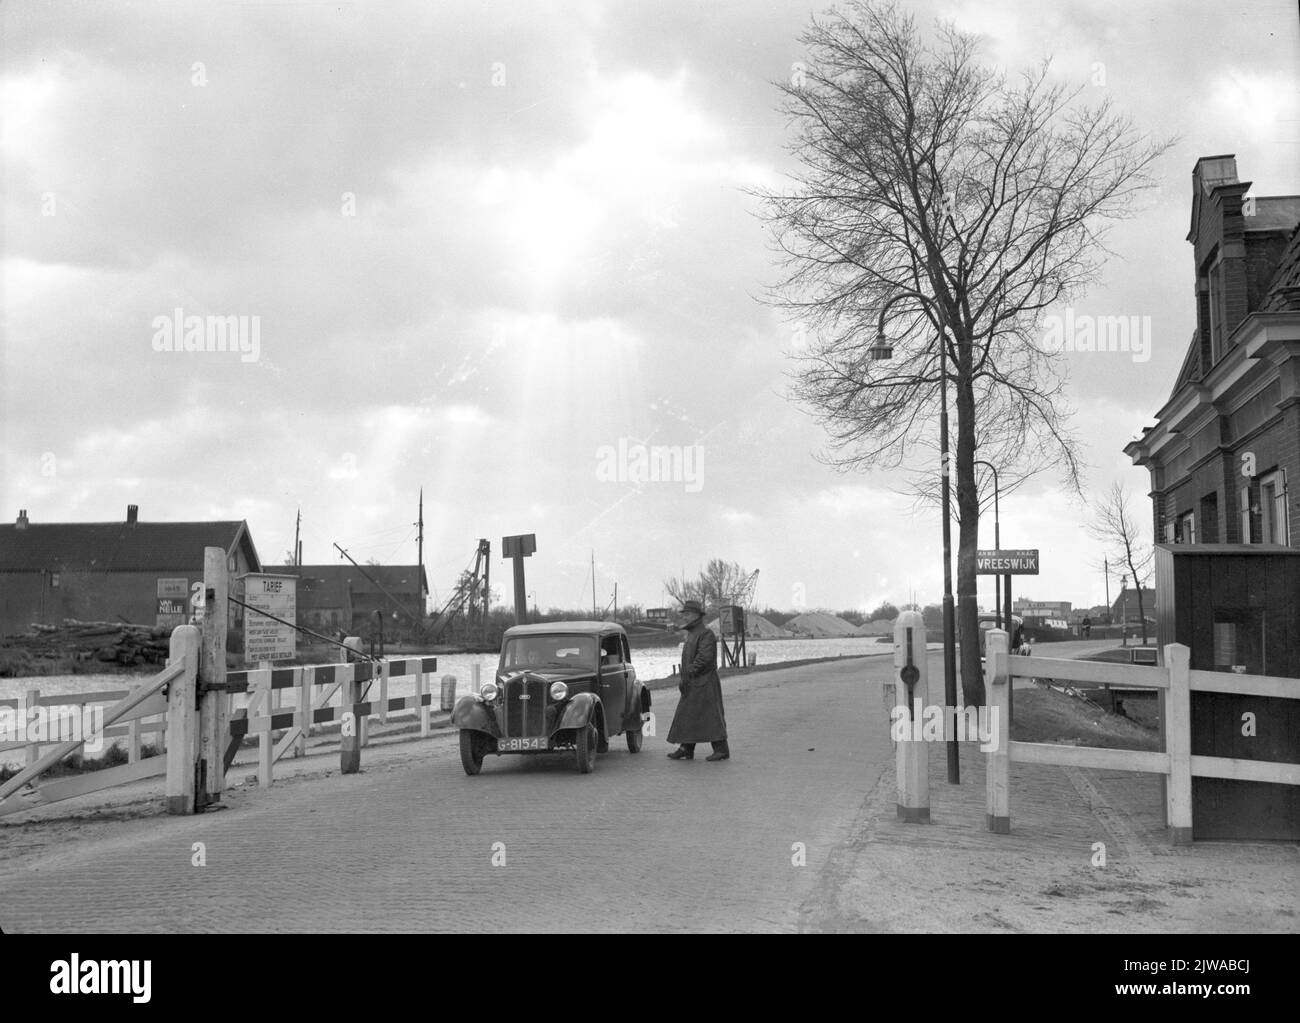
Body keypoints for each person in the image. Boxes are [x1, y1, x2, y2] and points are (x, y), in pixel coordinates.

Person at [666, 599, 730, 762]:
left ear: (696, 615)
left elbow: (705, 658)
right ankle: (686, 748)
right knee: (688, 714)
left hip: (705, 681)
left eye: (687, 614)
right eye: (684, 614)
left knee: (711, 715)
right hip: (694, 680)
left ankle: (721, 750)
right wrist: (687, 676)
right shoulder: (694, 633)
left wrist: (690, 672)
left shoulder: (705, 634)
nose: (685, 617)